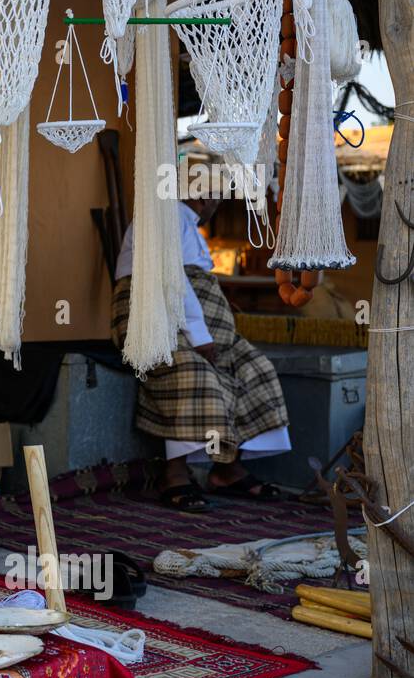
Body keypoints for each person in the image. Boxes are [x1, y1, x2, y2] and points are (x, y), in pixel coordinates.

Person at [111, 196, 291, 513]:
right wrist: (199, 334)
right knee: (193, 371)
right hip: (160, 324)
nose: (216, 203)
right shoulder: (164, 214)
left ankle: (226, 469)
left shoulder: (189, 224)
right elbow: (170, 279)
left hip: (204, 328)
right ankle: (175, 474)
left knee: (254, 368)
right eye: (214, 196)